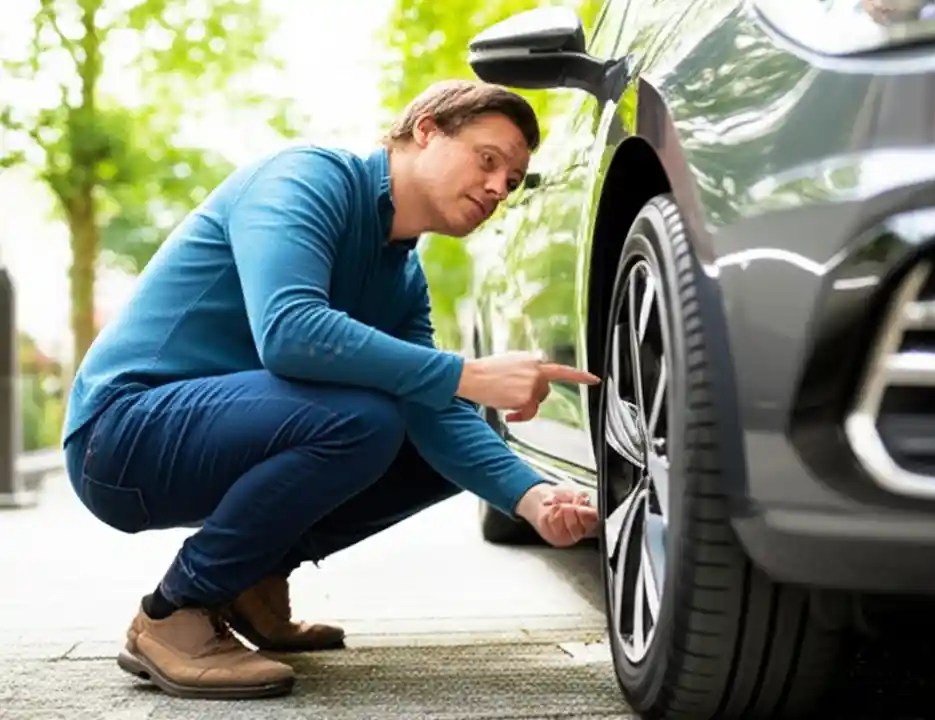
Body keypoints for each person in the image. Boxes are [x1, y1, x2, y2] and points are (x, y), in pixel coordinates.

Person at [61, 79, 601, 700]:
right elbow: (288, 332)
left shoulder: (402, 278)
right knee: (365, 419)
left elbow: (436, 413)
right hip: (121, 433)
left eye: (510, 181)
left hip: (214, 433)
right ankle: (174, 613)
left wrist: (534, 500)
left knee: (443, 418)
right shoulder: (307, 179)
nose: (496, 189)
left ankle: (254, 575)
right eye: (487, 159)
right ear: (425, 129)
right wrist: (467, 372)